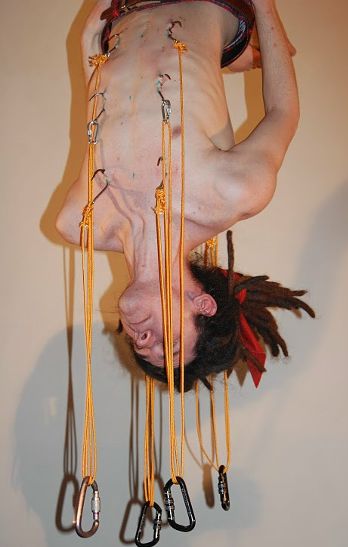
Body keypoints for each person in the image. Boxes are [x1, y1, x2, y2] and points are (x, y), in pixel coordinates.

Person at [56, 0, 313, 391]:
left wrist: (88, 42)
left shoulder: (78, 221)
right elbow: (283, 113)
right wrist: (265, 7)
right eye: (170, 345)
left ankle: (240, 57)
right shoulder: (233, 194)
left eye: (142, 350)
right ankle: (240, 54)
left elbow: (104, 117)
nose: (143, 341)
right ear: (202, 305)